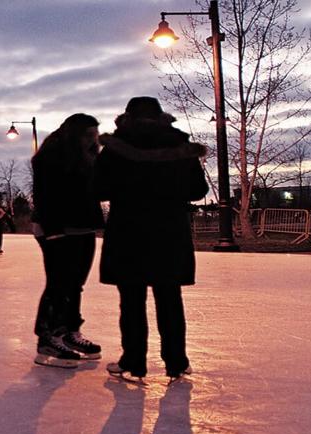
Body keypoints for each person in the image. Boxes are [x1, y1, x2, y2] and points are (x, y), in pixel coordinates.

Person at [91, 96, 209, 383]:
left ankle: (134, 362)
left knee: (131, 300)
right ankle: (177, 363)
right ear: (161, 117)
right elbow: (198, 190)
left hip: (128, 231)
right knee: (170, 298)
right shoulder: (180, 146)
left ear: (127, 117)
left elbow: (98, 188)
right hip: (169, 231)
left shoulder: (116, 148)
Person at [28, 112, 106, 369]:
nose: (94, 139)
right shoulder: (51, 155)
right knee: (58, 283)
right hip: (57, 228)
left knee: (75, 284)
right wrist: (52, 230)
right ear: (75, 134)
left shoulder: (90, 157)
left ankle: (70, 331)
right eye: (89, 134)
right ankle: (47, 338)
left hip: (83, 226)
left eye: (95, 134)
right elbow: (44, 195)